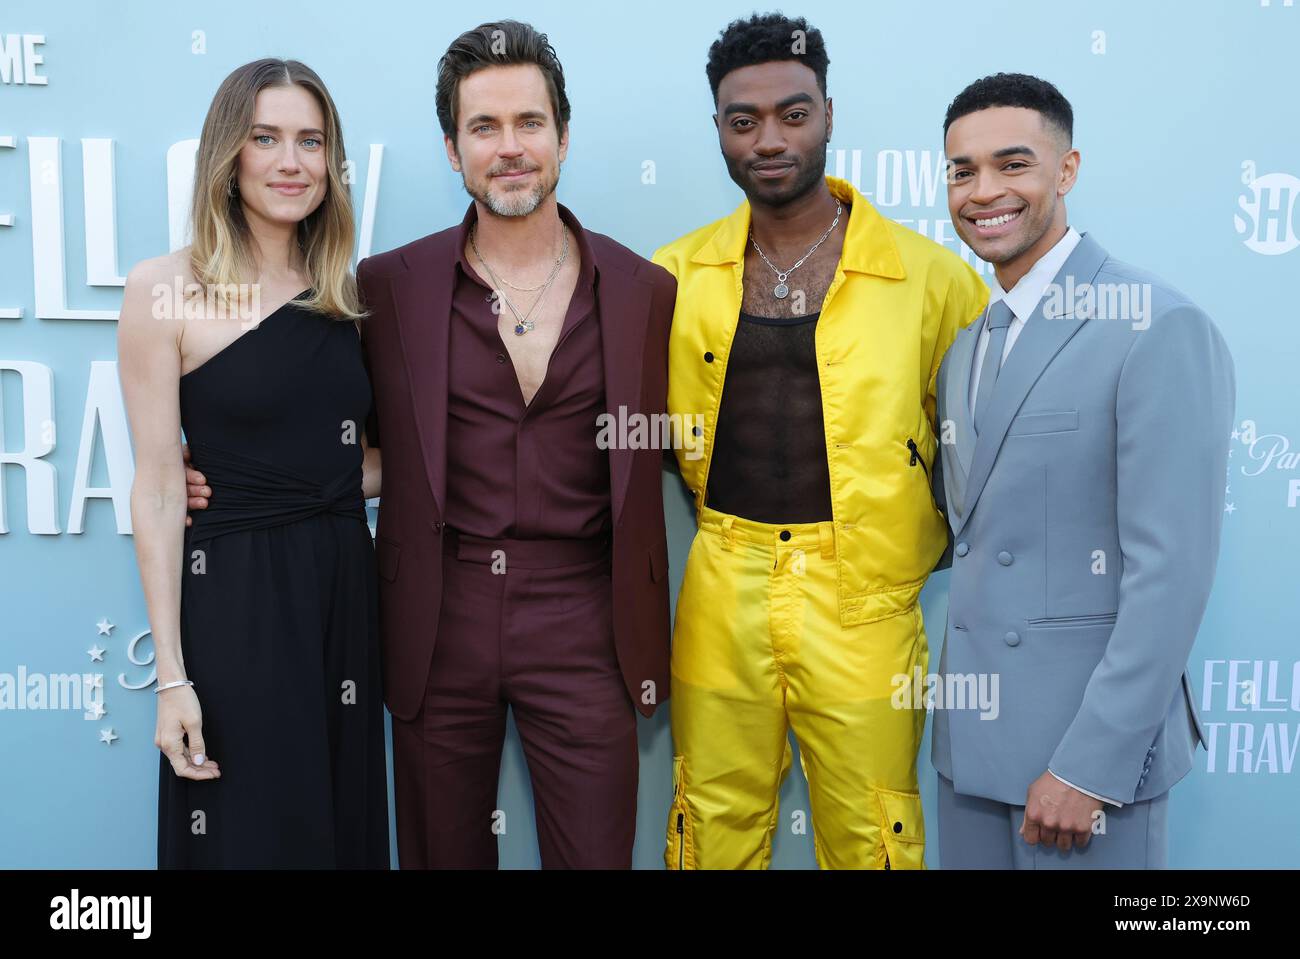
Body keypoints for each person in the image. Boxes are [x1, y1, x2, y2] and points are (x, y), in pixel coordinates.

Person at [190, 22, 676, 868]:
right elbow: (333, 432)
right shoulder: (385, 287)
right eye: (483, 128)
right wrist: (222, 476)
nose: (510, 147)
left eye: (529, 123)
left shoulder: (645, 291)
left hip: (588, 623)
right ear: (453, 150)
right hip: (434, 619)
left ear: (564, 135)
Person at [652, 12, 988, 869]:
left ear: (830, 114)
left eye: (793, 114)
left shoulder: (932, 278)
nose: (770, 138)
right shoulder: (671, 277)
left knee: (877, 832)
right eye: (743, 120)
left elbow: (988, 452)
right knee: (708, 823)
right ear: (719, 130)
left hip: (866, 595)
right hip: (723, 577)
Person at [930, 73, 1234, 868]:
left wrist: (1089, 765)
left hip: (1081, 768)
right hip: (969, 760)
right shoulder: (965, 347)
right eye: (963, 170)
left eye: (1013, 164)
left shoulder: (1155, 325)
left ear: (1066, 171)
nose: (983, 190)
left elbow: (1170, 572)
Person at [120, 58, 389, 868]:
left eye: (311, 141)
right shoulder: (164, 288)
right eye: (265, 138)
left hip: (344, 593)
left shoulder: (344, 294)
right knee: (246, 828)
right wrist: (171, 677)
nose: (290, 161)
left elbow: (369, 466)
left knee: (336, 826)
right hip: (233, 598)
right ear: (227, 154)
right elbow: (161, 488)